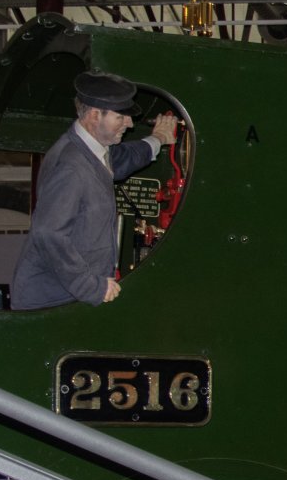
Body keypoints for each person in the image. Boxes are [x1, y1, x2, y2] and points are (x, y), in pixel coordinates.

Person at [11, 71, 178, 310]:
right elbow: (48, 233)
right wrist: (90, 287)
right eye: (121, 117)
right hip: (56, 301)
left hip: (67, 296)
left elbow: (121, 160)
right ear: (94, 115)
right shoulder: (72, 166)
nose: (130, 124)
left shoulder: (89, 150)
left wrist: (158, 138)